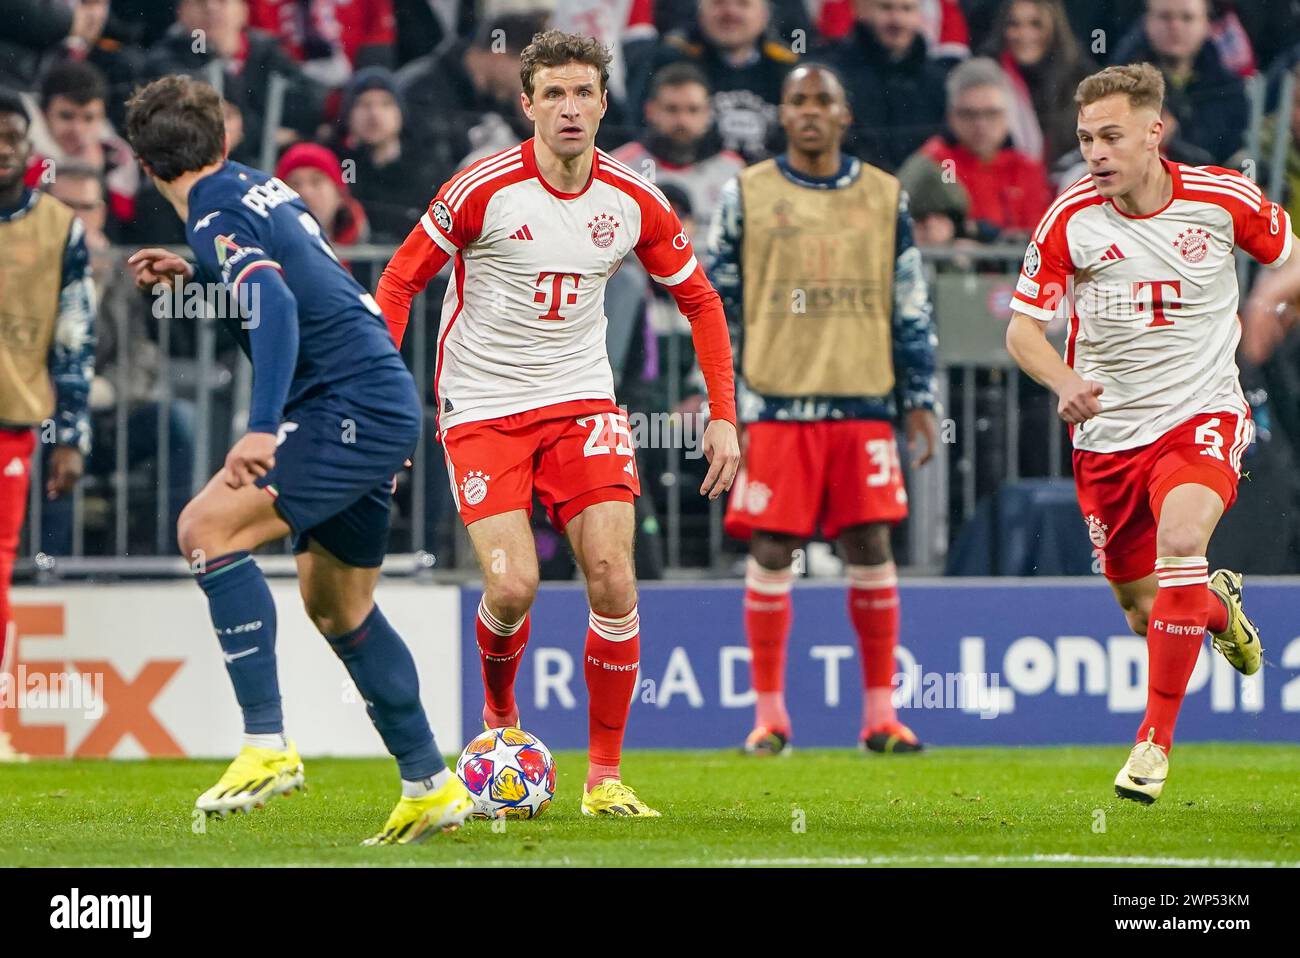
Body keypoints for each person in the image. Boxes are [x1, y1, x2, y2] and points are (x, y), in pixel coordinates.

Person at [376, 30, 741, 817]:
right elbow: (401, 280)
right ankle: (500, 721)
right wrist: (379, 399)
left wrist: (723, 415)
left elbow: (701, 300)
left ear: (605, 103)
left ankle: (604, 779)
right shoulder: (483, 188)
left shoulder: (633, 198)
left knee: (612, 578)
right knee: (512, 586)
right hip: (482, 408)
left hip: (581, 401)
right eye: (554, 95)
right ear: (528, 104)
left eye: (583, 94)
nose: (570, 108)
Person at [123, 74, 470, 843]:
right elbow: (299, 288)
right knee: (339, 608)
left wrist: (260, 425)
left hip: (343, 407)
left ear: (144, 167)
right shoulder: (257, 188)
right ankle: (430, 783)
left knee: (206, 530)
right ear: (225, 138)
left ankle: (265, 744)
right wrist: (201, 276)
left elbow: (276, 302)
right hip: (374, 399)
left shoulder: (212, 209)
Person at [1005, 63, 1300, 803]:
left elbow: (1288, 251)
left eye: (1110, 136)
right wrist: (1065, 381)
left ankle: (1151, 746)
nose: (1096, 152)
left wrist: (1271, 301)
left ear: (1152, 133)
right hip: (1108, 439)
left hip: (1201, 413)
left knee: (1181, 543)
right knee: (1148, 609)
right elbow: (1020, 331)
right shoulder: (1070, 218)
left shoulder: (1222, 197)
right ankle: (1217, 608)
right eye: (1084, 139)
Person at [708, 63, 939, 755]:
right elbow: (713, 301)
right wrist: (721, 397)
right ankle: (770, 716)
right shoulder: (745, 192)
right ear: (783, 114)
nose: (810, 112)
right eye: (798, 101)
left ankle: (880, 717)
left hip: (864, 395)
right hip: (776, 399)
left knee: (870, 542)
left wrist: (920, 398)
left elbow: (911, 302)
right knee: (773, 546)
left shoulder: (884, 193)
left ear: (845, 114)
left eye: (824, 101)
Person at [0, 89, 95, 762]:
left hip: (13, 421)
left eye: (11, 137)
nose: (2, 149)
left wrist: (71, 436)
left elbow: (75, 340)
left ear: (29, 148)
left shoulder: (63, 228)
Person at [897, 57, 1051, 243]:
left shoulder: (1026, 168)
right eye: (969, 114)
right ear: (951, 116)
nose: (981, 124)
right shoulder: (933, 163)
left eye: (991, 113)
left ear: (1007, 116)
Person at [634, 0, 798, 163]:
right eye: (718, 3)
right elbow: (639, 129)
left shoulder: (788, 70)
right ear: (699, 9)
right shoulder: (669, 60)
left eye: (743, 4)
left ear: (765, 14)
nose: (730, 13)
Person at [611, 62, 746, 230]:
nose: (682, 120)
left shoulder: (733, 170)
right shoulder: (618, 169)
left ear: (708, 113)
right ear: (650, 111)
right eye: (672, 109)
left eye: (693, 110)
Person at [1114, 0, 1248, 165]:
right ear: (1147, 21)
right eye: (1165, 16)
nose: (1175, 26)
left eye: (1187, 18)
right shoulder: (1117, 85)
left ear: (1207, 25)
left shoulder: (1230, 90)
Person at [828, 0, 951, 171]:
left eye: (907, 9)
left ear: (919, 15)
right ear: (861, 10)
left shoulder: (938, 80)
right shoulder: (834, 75)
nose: (897, 20)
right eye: (886, 8)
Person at [980, 0, 1094, 166]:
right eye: (1014, 24)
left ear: (1055, 26)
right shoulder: (986, 78)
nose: (1025, 34)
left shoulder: (1081, 78)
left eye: (1036, 24)